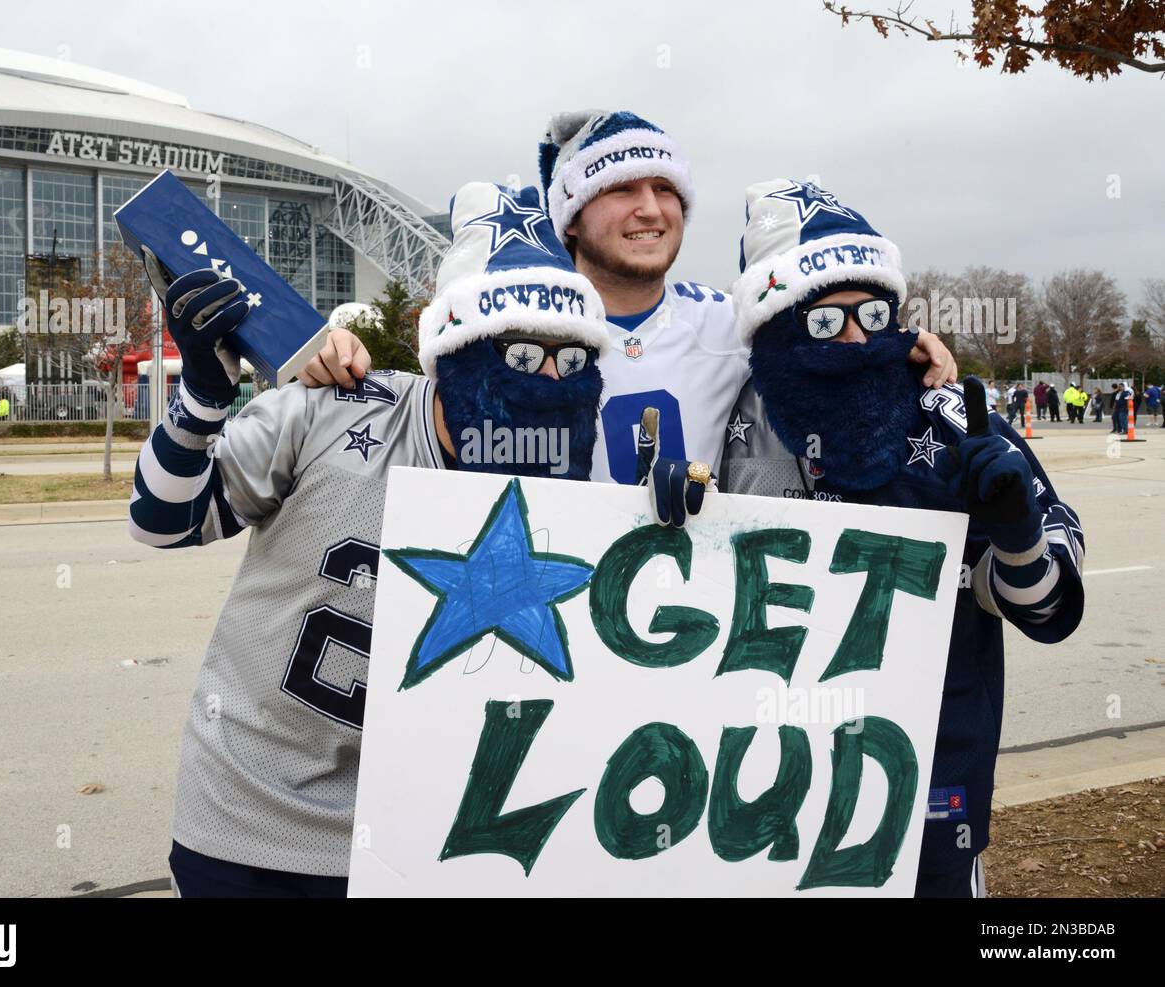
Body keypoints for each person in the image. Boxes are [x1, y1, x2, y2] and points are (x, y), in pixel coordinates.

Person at [129, 183, 611, 898]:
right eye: (520, 353)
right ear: (456, 347)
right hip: (251, 814)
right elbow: (163, 521)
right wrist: (203, 393)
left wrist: (674, 523)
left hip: (428, 831)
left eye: (567, 360)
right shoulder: (331, 409)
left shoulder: (574, 470)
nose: (545, 381)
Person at [707, 179, 1085, 897]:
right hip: (762, 790)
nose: (855, 339)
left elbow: (1055, 610)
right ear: (777, 322)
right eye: (825, 321)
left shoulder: (951, 419)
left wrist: (1016, 537)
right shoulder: (727, 424)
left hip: (928, 788)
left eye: (873, 313)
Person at [300, 111, 957, 485]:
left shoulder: (731, 325)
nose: (650, 208)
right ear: (573, 216)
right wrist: (335, 358)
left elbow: (835, 354)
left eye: (666, 189)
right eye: (622, 189)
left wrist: (906, 352)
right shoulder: (504, 333)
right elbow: (422, 422)